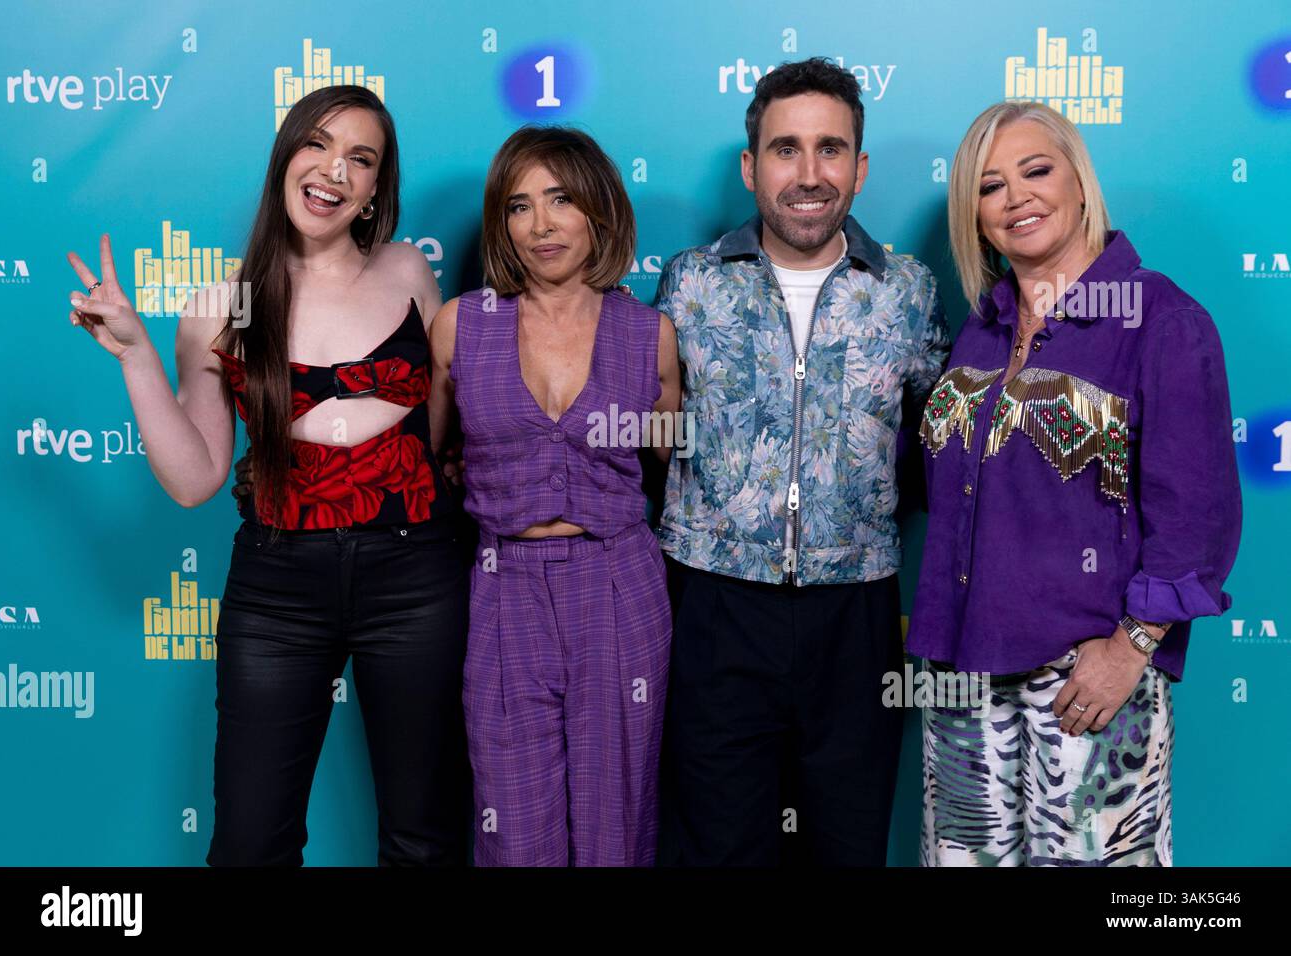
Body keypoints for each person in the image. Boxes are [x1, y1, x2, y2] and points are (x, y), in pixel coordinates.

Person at [67, 85, 470, 866]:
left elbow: (439, 439)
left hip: (416, 576)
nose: (334, 170)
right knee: (252, 842)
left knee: (424, 835)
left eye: (362, 159)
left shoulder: (409, 273)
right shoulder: (229, 304)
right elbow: (195, 480)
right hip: (279, 589)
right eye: (318, 144)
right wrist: (137, 357)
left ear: (375, 190)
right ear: (286, 155)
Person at [908, 100, 1241, 866]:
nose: (1016, 197)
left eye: (1036, 170)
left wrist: (1133, 648)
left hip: (1086, 671)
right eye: (990, 187)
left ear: (1079, 180)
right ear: (976, 215)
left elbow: (1198, 512)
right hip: (960, 666)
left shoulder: (1159, 318)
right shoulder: (981, 329)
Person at [655, 57, 950, 866]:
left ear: (859, 167)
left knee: (846, 844)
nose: (809, 173)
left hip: (854, 614)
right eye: (786, 149)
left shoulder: (909, 291)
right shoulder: (689, 285)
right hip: (714, 607)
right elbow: (649, 438)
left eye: (831, 150)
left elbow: (940, 440)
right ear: (752, 167)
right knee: (714, 845)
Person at [426, 125, 682, 866]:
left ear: (597, 208)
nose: (540, 225)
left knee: (616, 822)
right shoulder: (461, 327)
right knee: (515, 827)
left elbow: (670, 467)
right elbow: (440, 453)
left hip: (620, 584)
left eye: (560, 199)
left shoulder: (650, 336)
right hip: (504, 590)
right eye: (519, 206)